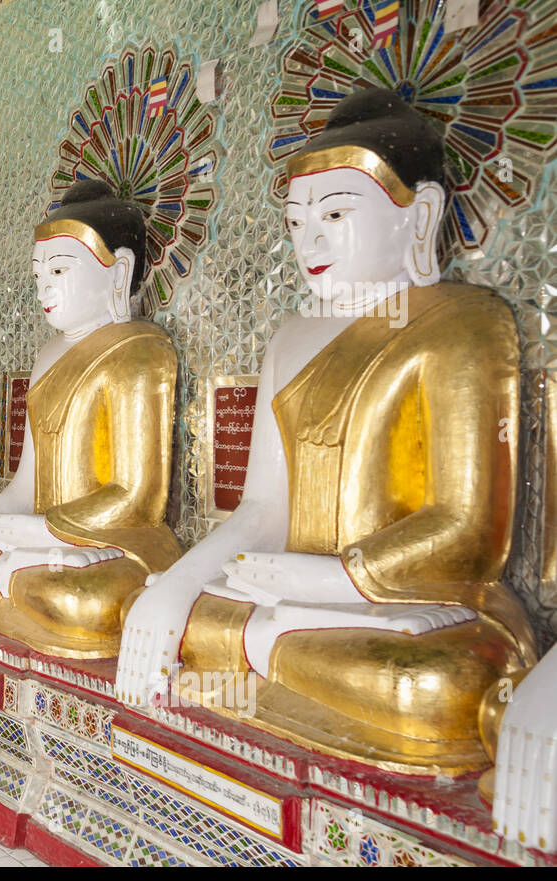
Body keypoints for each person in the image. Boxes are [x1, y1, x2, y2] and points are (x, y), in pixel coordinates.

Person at [116, 89, 537, 775]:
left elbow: (466, 529)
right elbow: (262, 508)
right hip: (292, 597)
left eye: (337, 213)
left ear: (420, 215)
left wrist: (337, 577)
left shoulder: (462, 322)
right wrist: (175, 585)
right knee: (172, 616)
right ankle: (269, 650)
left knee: (432, 685)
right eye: (295, 221)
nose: (308, 241)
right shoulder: (292, 336)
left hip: (409, 606)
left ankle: (265, 656)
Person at [0, 179, 181, 658]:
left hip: (117, 545)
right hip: (43, 545)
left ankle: (20, 587)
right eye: (39, 273)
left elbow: (136, 496)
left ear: (118, 272)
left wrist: (43, 532)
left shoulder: (140, 349)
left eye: (60, 269)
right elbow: (25, 486)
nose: (45, 286)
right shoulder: (48, 355)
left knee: (83, 601)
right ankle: (15, 582)